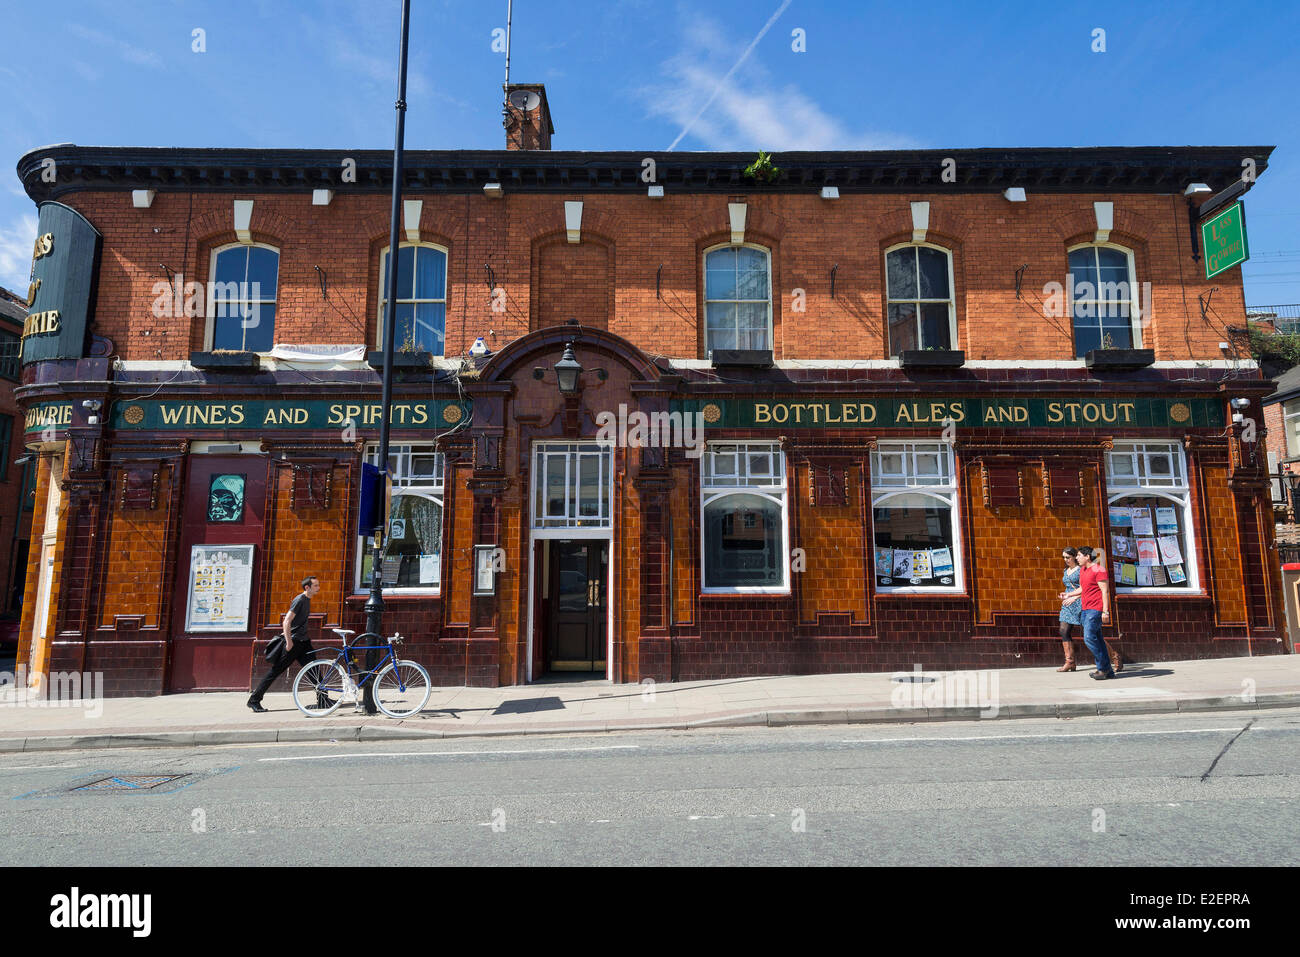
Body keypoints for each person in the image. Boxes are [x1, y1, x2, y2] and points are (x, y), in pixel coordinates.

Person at [248, 576, 321, 712]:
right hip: (294, 642)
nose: (318, 588)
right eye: (316, 585)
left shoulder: (307, 600)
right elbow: (286, 621)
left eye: (318, 585)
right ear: (307, 587)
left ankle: (323, 699)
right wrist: (289, 643)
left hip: (303, 642)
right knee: (276, 671)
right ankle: (254, 700)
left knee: (314, 668)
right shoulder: (299, 600)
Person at [1074, 546, 1114, 679]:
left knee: (1089, 638)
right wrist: (1069, 595)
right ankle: (1107, 671)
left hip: (1095, 609)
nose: (1077, 558)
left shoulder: (1099, 569)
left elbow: (1105, 591)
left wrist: (1105, 612)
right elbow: (1083, 589)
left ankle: (1103, 668)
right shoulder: (1083, 570)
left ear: (1087, 556)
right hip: (1085, 609)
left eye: (1079, 555)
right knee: (1099, 640)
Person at [1055, 548, 1082, 671]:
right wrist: (1064, 595)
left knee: (1091, 632)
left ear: (1074, 557)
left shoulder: (1081, 570)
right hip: (1067, 603)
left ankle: (1114, 656)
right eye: (1064, 557)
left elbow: (1086, 588)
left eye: (1068, 557)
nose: (1065, 560)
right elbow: (1068, 587)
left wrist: (1074, 597)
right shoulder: (1066, 571)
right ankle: (1070, 661)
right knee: (1063, 630)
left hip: (1079, 601)